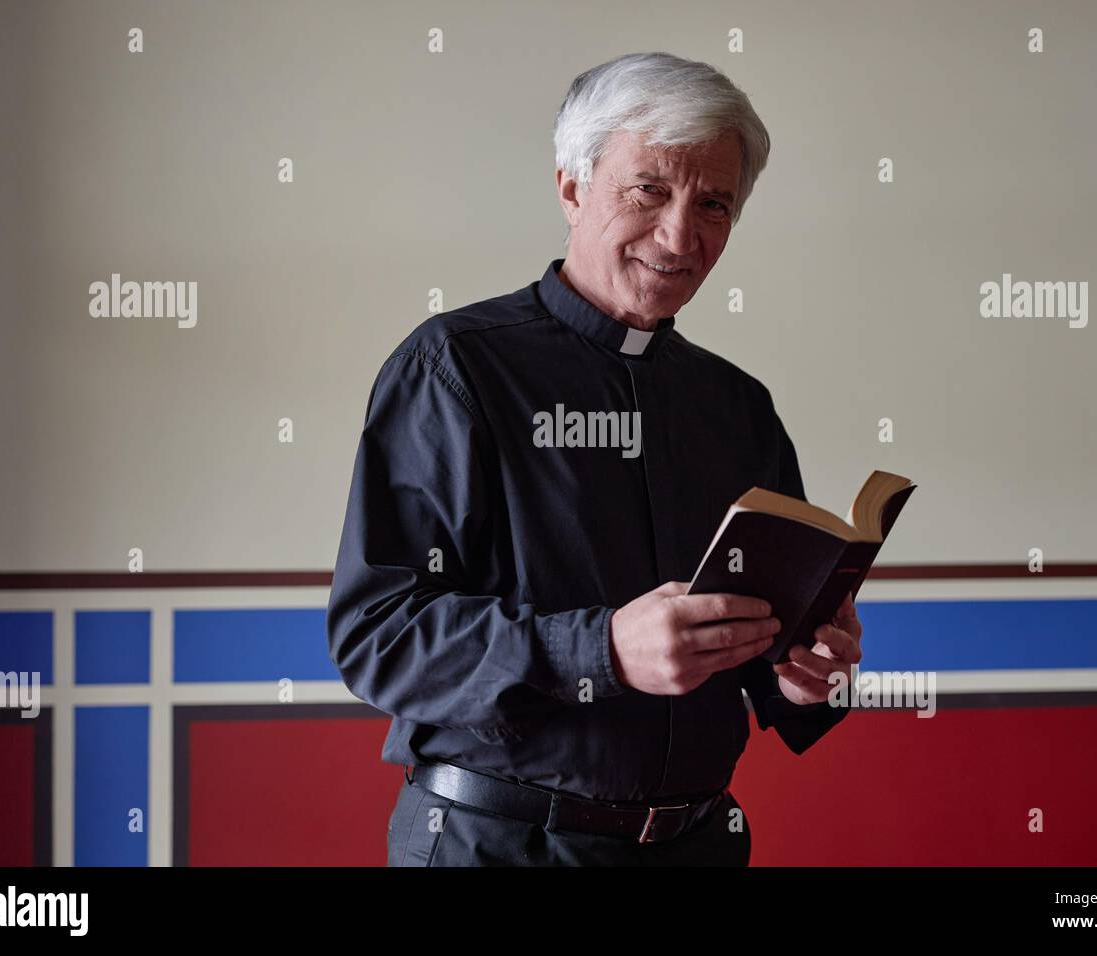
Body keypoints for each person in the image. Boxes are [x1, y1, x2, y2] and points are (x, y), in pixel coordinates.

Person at [326, 51, 863, 867]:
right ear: (572, 187)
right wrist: (603, 650)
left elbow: (765, 661)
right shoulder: (456, 368)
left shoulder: (739, 406)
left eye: (713, 203)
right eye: (649, 189)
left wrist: (801, 678)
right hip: (497, 850)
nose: (681, 234)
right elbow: (379, 636)